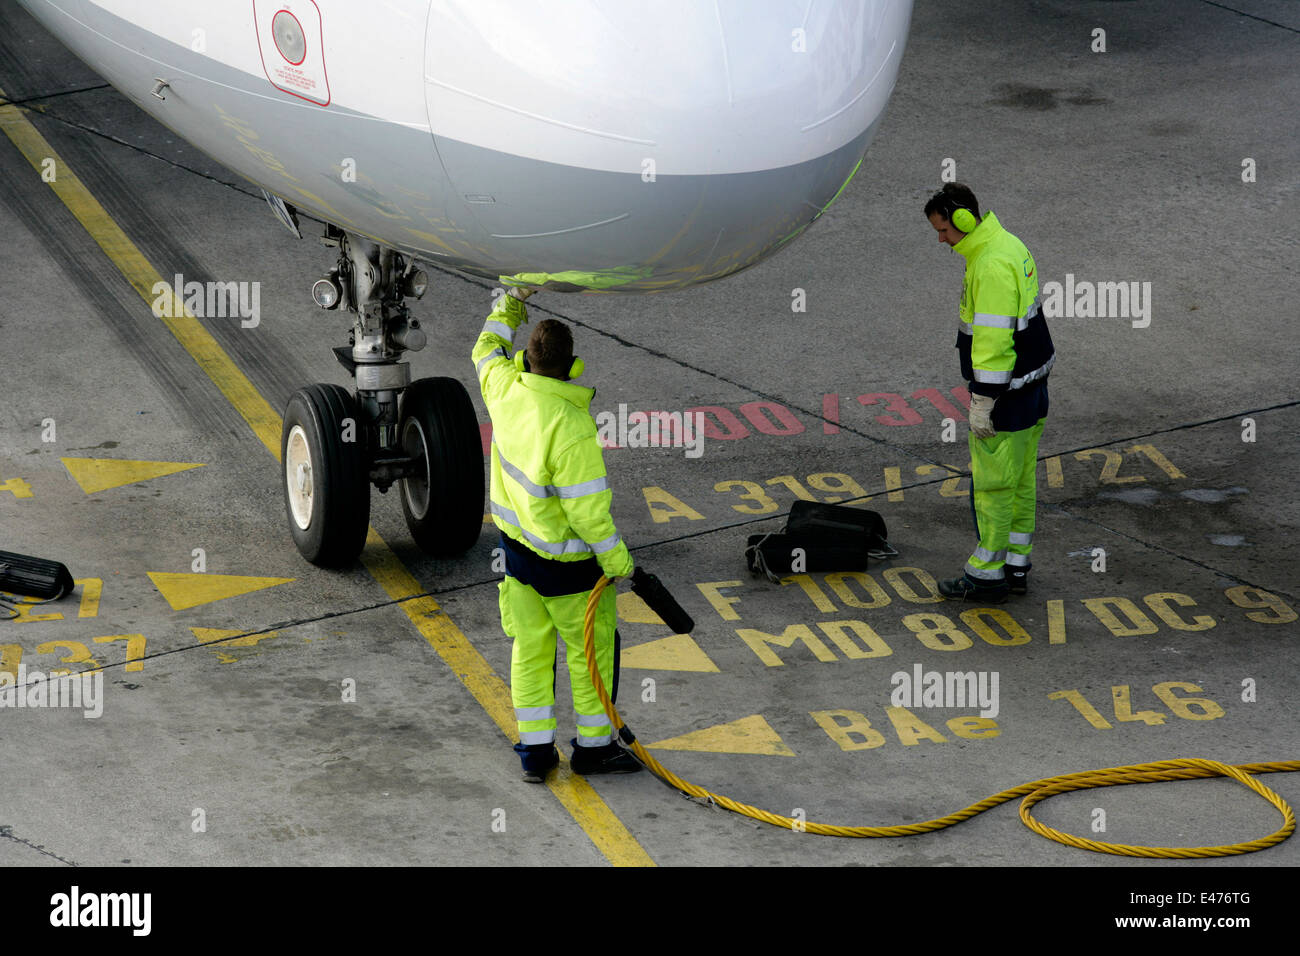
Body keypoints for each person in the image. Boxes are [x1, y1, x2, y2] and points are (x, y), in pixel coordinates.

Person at [472, 285, 641, 782]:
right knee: (591, 657)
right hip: (571, 573)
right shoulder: (571, 426)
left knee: (529, 652)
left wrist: (511, 301)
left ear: (527, 358)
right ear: (572, 368)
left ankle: (536, 754)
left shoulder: (503, 387)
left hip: (518, 560)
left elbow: (485, 346)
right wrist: (619, 563)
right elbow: (589, 515)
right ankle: (593, 750)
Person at [924, 183, 1056, 602]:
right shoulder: (1006, 245)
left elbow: (994, 343)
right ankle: (1016, 564)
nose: (941, 239)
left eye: (943, 229)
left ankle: (986, 575)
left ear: (963, 220)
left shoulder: (991, 265)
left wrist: (982, 401)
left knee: (993, 486)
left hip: (1006, 396)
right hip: (1033, 389)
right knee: (1020, 479)